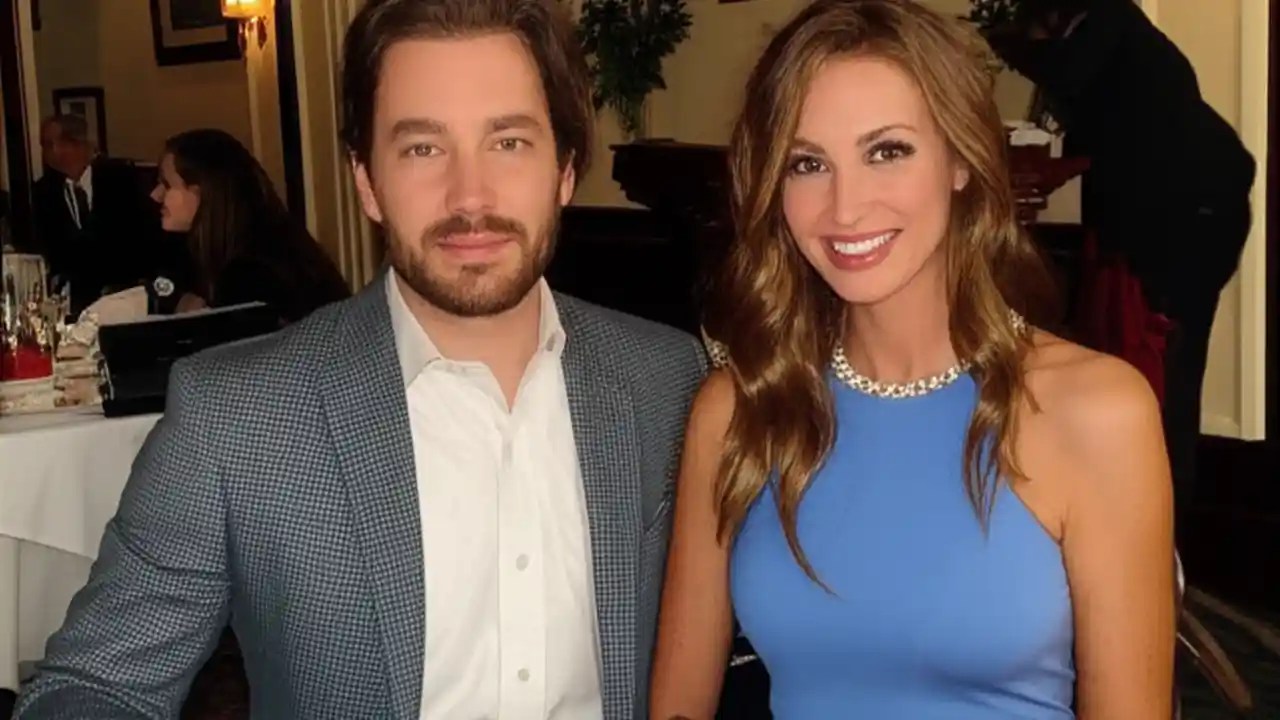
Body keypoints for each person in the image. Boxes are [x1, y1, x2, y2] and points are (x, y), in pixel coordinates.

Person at [15, 0, 704, 717]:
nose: (469, 196)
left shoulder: (668, 382)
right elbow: (92, 688)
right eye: (422, 148)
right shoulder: (235, 418)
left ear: (565, 170)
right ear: (367, 180)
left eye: (507, 143)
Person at [650, 1, 1174, 718]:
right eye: (808, 163)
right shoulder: (739, 410)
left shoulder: (1098, 413)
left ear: (961, 159)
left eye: (886, 151)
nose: (846, 207)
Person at [983, 0, 1256, 532]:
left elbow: (1071, 83)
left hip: (1192, 216)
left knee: (1162, 360)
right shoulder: (1109, 38)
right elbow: (1096, 138)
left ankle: (1163, 526)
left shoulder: (1108, 23)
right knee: (1147, 357)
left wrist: (1008, 38)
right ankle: (1153, 512)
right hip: (1182, 210)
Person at [151, 128, 351, 325]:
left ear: (203, 191)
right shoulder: (275, 244)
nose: (155, 195)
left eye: (167, 184)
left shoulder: (253, 273)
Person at [32, 114, 170, 316]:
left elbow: (145, 236)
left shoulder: (121, 178)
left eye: (62, 142)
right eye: (47, 144)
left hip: (126, 294)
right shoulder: (42, 192)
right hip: (76, 303)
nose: (54, 151)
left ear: (82, 144)